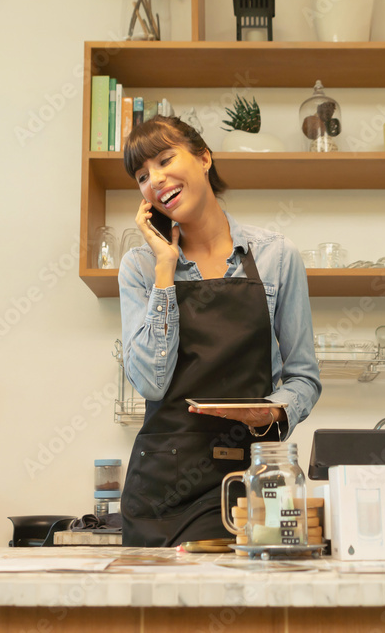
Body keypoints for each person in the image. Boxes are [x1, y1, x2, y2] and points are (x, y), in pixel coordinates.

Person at [118, 115, 322, 547]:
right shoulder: (140, 268)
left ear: (204, 158)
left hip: (246, 481)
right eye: (141, 175)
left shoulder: (276, 258)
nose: (154, 179)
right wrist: (164, 268)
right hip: (157, 490)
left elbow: (303, 377)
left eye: (164, 159)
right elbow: (152, 382)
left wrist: (271, 411)